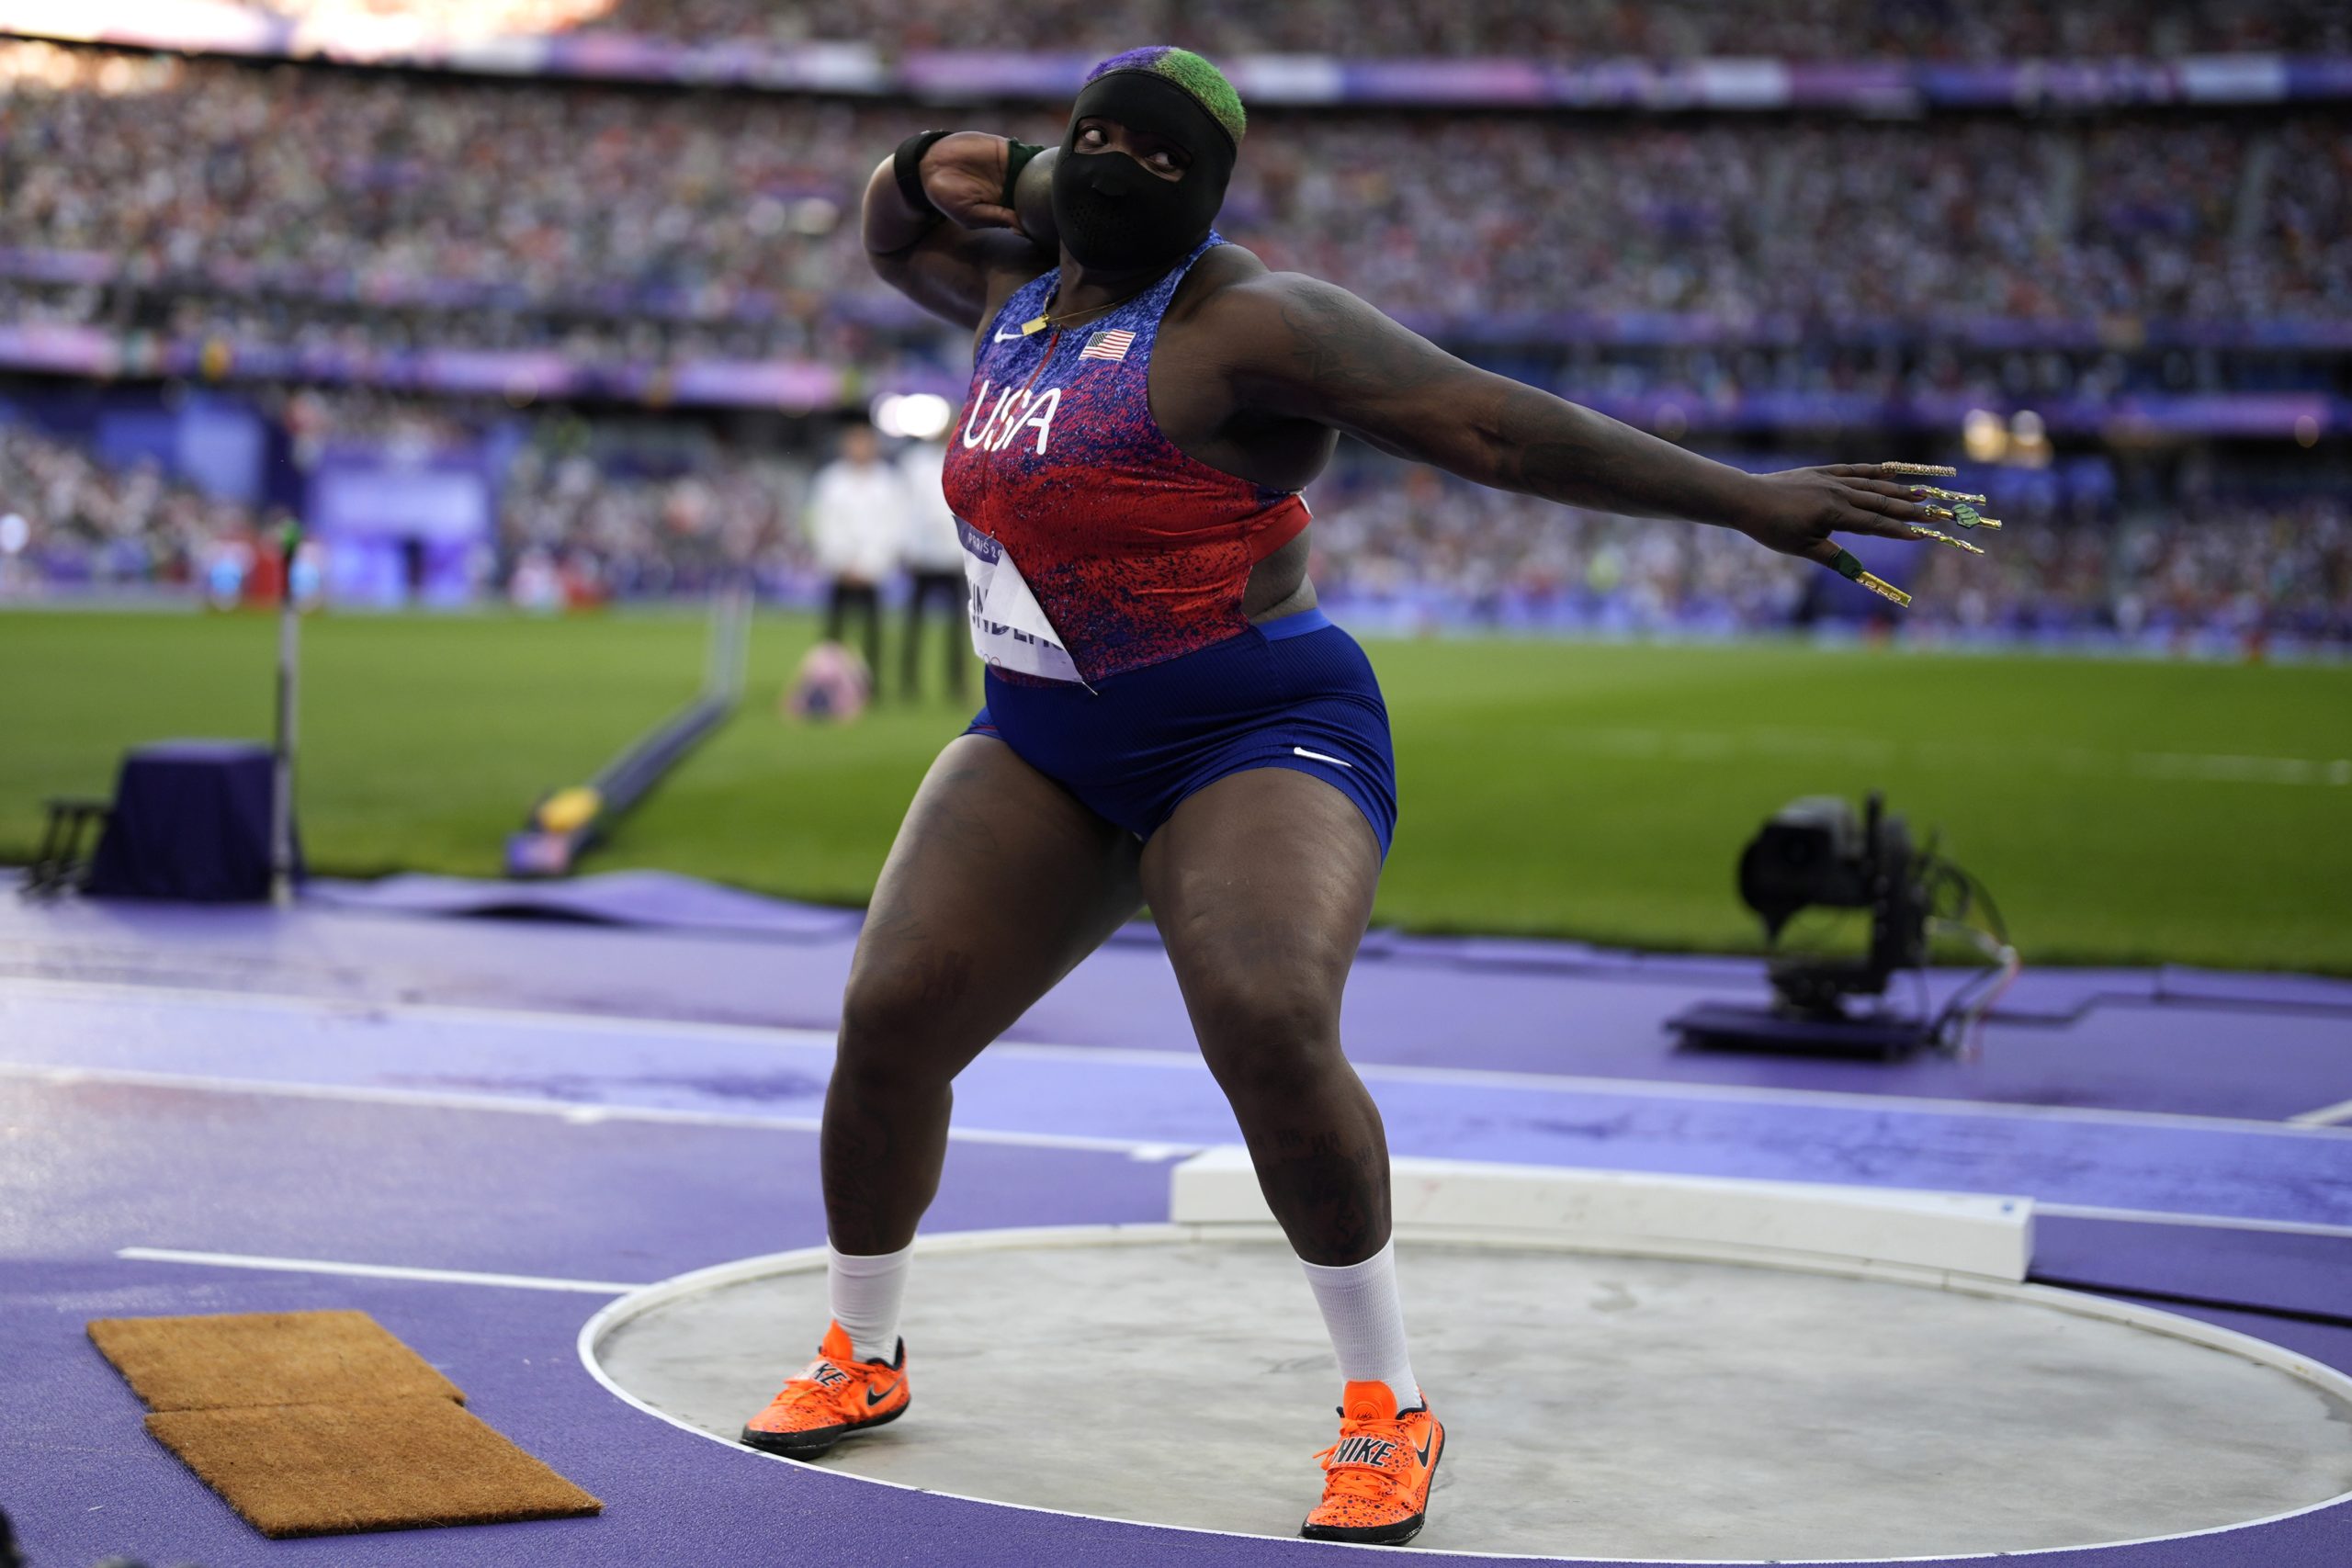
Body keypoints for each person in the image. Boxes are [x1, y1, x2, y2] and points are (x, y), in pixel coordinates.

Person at [740, 47, 1971, 1546]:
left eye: (1165, 158)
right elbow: (892, 230)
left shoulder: (1251, 321)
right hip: (1045, 738)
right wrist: (931, 150)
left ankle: (1388, 1402)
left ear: (1208, 194)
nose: (1126, 169)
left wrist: (1748, 498)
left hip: (1254, 727)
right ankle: (861, 1347)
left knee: (1266, 1014)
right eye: (1102, 141)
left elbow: (1490, 425)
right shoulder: (1012, 295)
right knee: (890, 1013)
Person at [804, 422, 903, 684]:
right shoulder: (830, 481)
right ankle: (828, 681)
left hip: (872, 571)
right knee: (834, 631)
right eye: (854, 442)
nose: (859, 448)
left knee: (872, 632)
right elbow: (823, 524)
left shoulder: (888, 482)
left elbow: (892, 527)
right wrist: (841, 562)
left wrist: (870, 564)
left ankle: (870, 683)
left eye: (864, 442)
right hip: (840, 570)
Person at [895, 428, 967, 700]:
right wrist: (907, 547)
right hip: (922, 556)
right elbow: (905, 508)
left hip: (953, 556)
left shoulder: (965, 459)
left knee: (957, 628)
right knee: (914, 624)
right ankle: (907, 681)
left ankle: (956, 683)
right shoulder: (914, 463)